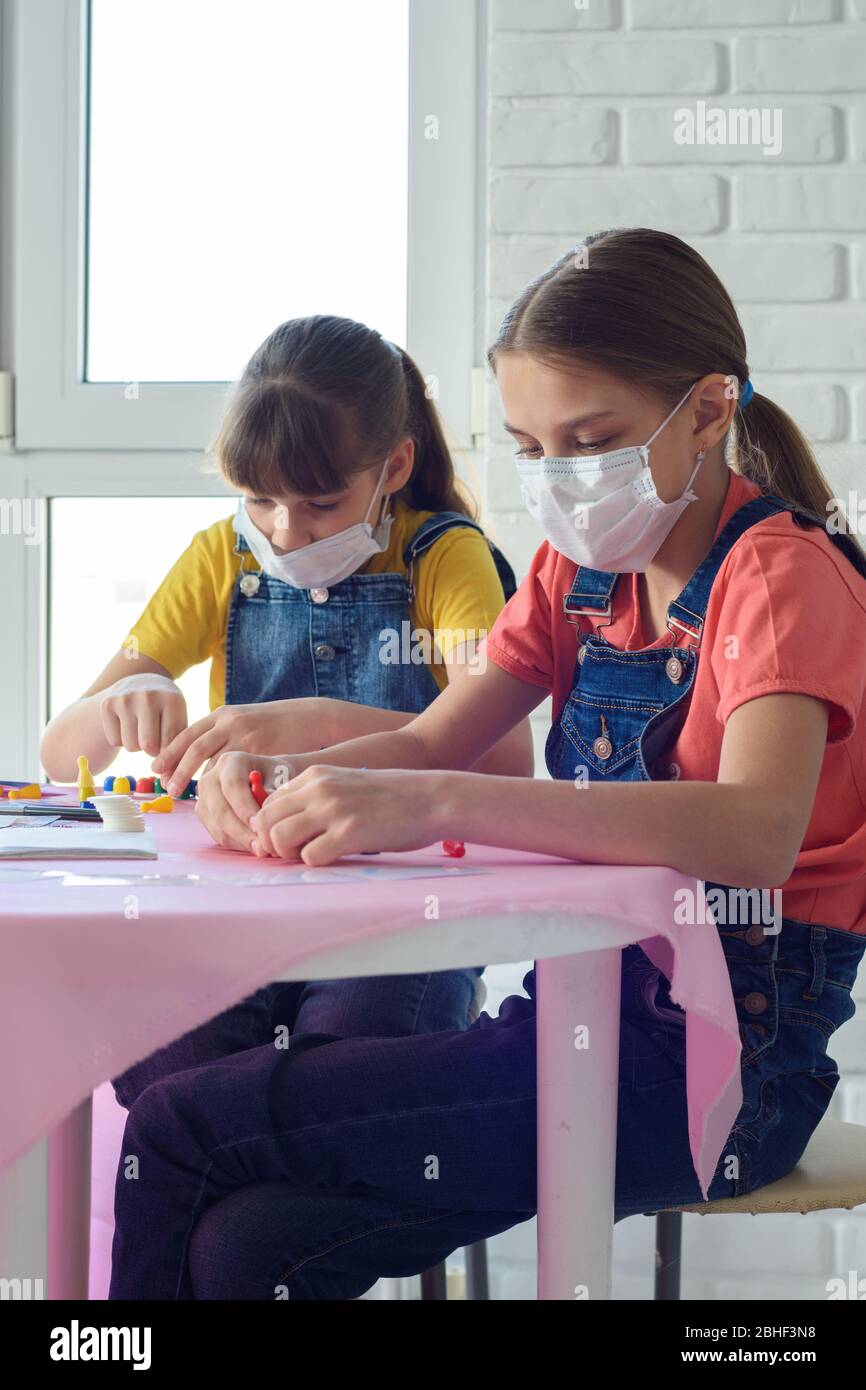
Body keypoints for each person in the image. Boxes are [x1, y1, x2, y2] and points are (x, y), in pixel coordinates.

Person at [109, 229, 866, 1300]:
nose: (556, 479)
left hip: (719, 1078)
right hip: (573, 1021)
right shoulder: (576, 571)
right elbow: (427, 741)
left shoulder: (781, 577)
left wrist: (431, 801)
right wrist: (276, 781)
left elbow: (754, 830)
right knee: (246, 1246)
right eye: (527, 445)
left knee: (184, 1121)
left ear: (706, 409)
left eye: (588, 438)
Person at [40, 316, 531, 1109]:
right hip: (238, 904)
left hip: (402, 906)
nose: (283, 530)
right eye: (259, 499)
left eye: (320, 504)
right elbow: (60, 755)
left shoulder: (445, 556)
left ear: (394, 467)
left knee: (350, 1068)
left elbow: (509, 760)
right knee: (163, 1057)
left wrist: (318, 722)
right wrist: (122, 703)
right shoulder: (220, 557)